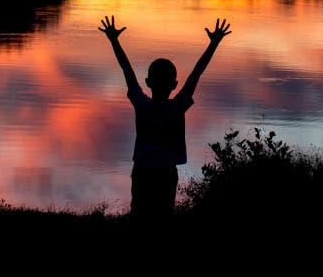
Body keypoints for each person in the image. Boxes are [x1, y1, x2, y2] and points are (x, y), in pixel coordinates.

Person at [98, 14, 232, 219]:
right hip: (165, 172)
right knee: (163, 214)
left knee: (140, 212)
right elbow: (196, 74)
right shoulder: (176, 108)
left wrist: (114, 41)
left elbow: (127, 70)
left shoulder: (142, 105)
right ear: (174, 85)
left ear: (148, 83)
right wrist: (213, 44)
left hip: (142, 169)